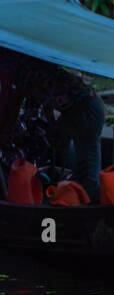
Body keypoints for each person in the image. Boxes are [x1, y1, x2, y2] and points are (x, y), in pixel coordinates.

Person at [0, 49, 104, 200]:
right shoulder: (30, 66)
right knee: (58, 146)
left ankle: (91, 204)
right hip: (71, 111)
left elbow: (12, 102)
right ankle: (66, 189)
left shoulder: (21, 71)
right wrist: (51, 122)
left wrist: (4, 133)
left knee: (88, 167)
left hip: (85, 108)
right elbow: (45, 96)